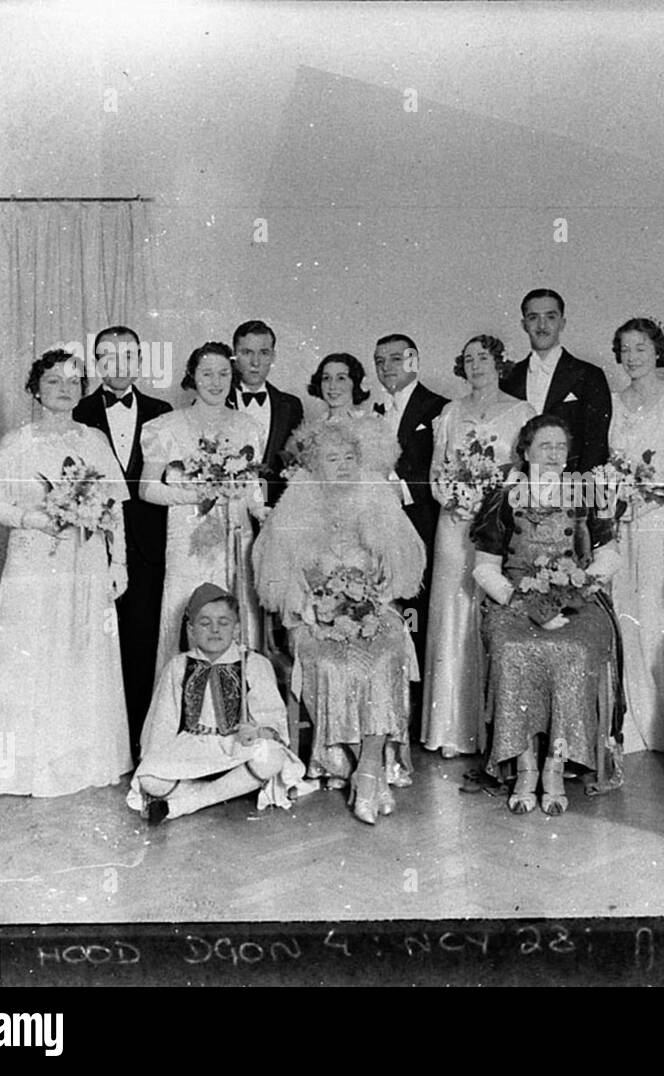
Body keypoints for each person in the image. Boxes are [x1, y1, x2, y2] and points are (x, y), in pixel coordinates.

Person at [0, 349, 132, 797]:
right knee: (35, 652)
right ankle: (29, 767)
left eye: (73, 382)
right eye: (54, 381)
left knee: (83, 650)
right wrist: (33, 519)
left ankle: (84, 759)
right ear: (35, 389)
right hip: (36, 561)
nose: (65, 389)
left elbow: (114, 505)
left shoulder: (95, 440)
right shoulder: (18, 441)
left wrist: (119, 563)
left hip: (87, 560)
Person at [253, 417, 427, 824]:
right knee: (334, 664)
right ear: (313, 463)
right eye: (333, 458)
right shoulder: (296, 501)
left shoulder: (376, 497)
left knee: (387, 654)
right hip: (312, 616)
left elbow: (404, 562)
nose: (344, 465)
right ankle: (360, 768)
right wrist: (308, 606)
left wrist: (379, 591)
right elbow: (276, 574)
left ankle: (367, 769)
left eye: (350, 457)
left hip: (372, 609)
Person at [470, 414, 623, 815]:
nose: (554, 454)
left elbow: (608, 557)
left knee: (572, 651)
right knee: (513, 651)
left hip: (575, 599)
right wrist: (512, 596)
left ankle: (555, 766)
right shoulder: (504, 496)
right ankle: (524, 766)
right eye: (544, 446)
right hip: (516, 600)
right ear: (525, 452)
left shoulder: (587, 493)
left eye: (559, 447)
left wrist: (579, 586)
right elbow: (484, 566)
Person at [421, 334, 535, 757]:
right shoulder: (450, 412)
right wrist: (454, 497)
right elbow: (436, 471)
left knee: (489, 609)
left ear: (500, 363)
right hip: (454, 524)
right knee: (452, 611)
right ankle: (449, 728)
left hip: (498, 524)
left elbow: (527, 469)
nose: (475, 365)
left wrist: (492, 501)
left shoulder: (521, 411)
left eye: (483, 357)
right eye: (467, 359)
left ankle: (491, 731)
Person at [126, 583, 307, 825]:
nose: (214, 630)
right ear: (191, 629)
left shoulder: (253, 663)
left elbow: (272, 717)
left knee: (271, 756)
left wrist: (257, 731)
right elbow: (162, 723)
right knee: (149, 777)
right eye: (204, 623)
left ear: (237, 627)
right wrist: (154, 759)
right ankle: (231, 789)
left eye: (223, 622)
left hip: (237, 746)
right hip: (194, 746)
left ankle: (184, 804)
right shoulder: (178, 666)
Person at [73, 325, 172, 758]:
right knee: (93, 637)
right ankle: (96, 739)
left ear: (140, 361)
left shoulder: (163, 410)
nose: (119, 366)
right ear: (97, 363)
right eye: (108, 357)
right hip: (93, 544)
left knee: (142, 640)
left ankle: (139, 737)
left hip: (148, 545)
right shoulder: (75, 411)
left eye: (128, 356)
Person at [141, 342, 266, 675]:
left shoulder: (248, 425)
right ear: (192, 377)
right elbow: (147, 488)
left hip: (237, 535)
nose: (215, 381)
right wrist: (196, 495)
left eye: (224, 373)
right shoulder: (165, 426)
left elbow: (252, 488)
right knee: (186, 614)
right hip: (188, 538)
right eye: (207, 373)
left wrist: (261, 510)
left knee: (237, 612)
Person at [606, 317, 664, 754]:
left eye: (641, 348)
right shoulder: (613, 402)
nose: (632, 357)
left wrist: (658, 495)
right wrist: (620, 493)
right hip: (623, 518)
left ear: (658, 351)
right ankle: (632, 723)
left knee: (659, 612)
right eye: (625, 349)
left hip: (663, 516)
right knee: (625, 610)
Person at [373, 332, 448, 731]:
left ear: (413, 361)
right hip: (381, 528)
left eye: (395, 359)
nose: (387, 368)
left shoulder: (437, 407)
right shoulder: (373, 409)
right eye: (379, 361)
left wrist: (396, 487)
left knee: (415, 611)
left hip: (419, 525)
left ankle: (417, 713)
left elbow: (439, 467)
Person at [501, 288, 612, 474]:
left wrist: (579, 494)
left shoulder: (589, 375)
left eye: (550, 317)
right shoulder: (508, 379)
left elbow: (596, 444)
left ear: (562, 323)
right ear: (524, 324)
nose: (542, 325)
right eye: (533, 317)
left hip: (571, 490)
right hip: (519, 491)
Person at [228, 320, 304, 510]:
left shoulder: (291, 406)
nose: (255, 362)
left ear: (273, 356)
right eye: (247, 353)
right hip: (230, 509)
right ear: (234, 356)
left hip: (276, 511)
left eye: (263, 353)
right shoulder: (217, 401)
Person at [306, 351, 374, 422]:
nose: (332, 386)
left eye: (341, 378)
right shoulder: (313, 428)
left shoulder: (370, 427)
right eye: (326, 378)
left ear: (355, 382)